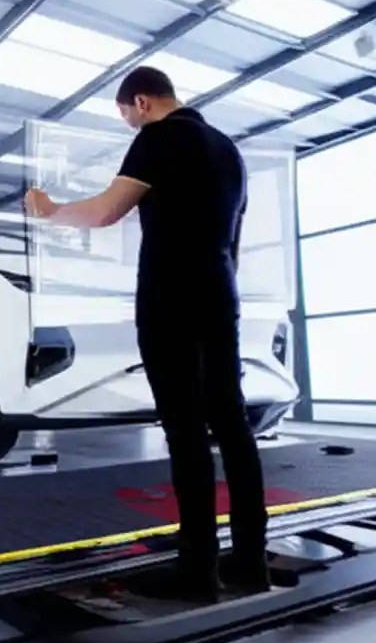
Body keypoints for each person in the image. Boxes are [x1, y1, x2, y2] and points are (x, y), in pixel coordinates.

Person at [24, 67, 270, 602]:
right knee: (231, 424)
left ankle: (198, 571)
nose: (130, 126)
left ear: (140, 102)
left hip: (169, 298)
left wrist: (50, 213)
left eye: (126, 116)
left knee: (184, 431)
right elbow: (236, 237)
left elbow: (106, 212)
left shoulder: (159, 138)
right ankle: (251, 561)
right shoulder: (230, 151)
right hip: (220, 292)